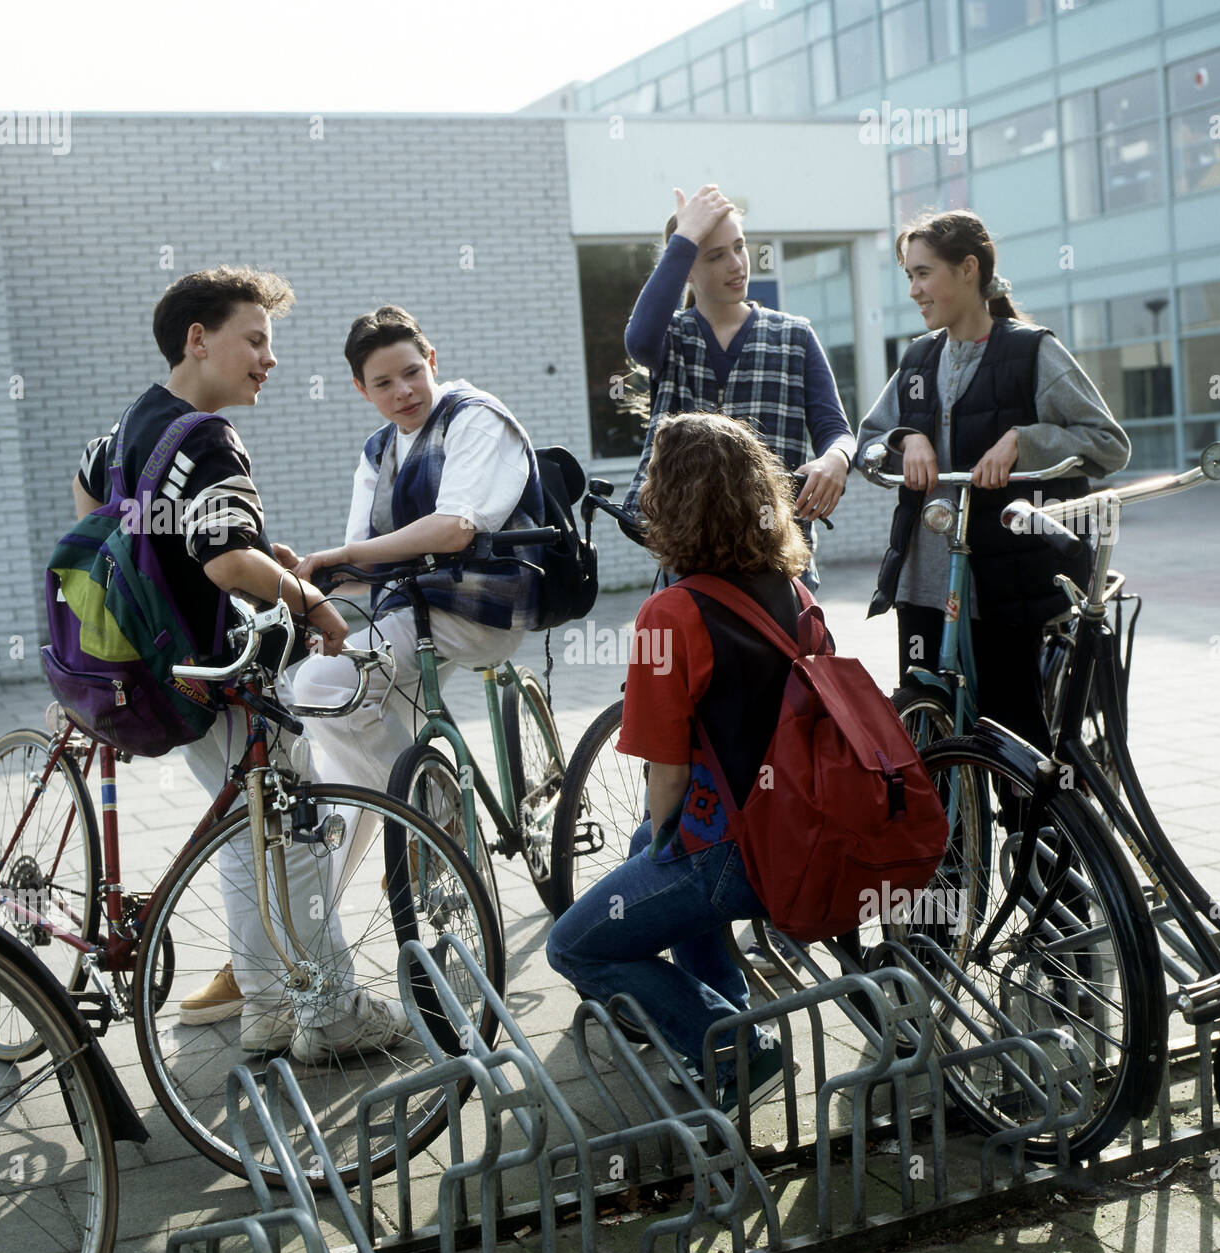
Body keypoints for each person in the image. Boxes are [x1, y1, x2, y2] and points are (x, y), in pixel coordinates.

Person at [75, 267, 409, 1062]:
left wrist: (184, 566)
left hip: (157, 673)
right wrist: (311, 601)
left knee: (242, 837)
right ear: (200, 339)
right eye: (256, 340)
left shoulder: (134, 424)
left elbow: (92, 499)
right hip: (220, 677)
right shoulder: (208, 436)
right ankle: (329, 1017)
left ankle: (264, 1009)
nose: (270, 359)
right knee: (292, 840)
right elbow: (225, 562)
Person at [548, 412, 824, 1116]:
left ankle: (734, 1049)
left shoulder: (670, 614)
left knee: (574, 947)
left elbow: (665, 775)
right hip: (802, 835)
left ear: (672, 503)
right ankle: (726, 1011)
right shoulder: (794, 591)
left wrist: (666, 847)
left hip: (730, 850)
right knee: (653, 847)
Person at [855, 209, 1130, 752]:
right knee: (923, 731)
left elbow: (1108, 443)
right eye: (908, 275)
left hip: (1003, 587)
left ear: (968, 269)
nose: (913, 290)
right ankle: (951, 838)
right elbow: (868, 442)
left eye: (923, 273)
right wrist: (904, 440)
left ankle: (1037, 834)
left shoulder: (1031, 352)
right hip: (923, 584)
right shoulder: (917, 359)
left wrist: (1026, 440)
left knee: (1012, 739)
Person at [290, 305, 546, 791]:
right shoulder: (376, 451)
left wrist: (342, 556)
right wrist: (312, 591)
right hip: (414, 613)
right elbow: (363, 557)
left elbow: (454, 529)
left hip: (481, 609)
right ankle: (388, 846)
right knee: (354, 747)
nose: (403, 391)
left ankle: (432, 817)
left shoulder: (475, 417)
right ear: (361, 390)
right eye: (383, 383)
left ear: (432, 360)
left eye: (411, 372)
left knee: (321, 689)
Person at [621, 184, 858, 592]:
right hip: (689, 554)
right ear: (687, 269)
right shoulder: (671, 337)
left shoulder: (795, 336)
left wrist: (836, 458)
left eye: (740, 247)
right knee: (695, 655)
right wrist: (683, 239)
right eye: (715, 255)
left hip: (777, 553)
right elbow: (639, 339)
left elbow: (835, 429)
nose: (737, 264)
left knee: (782, 657)